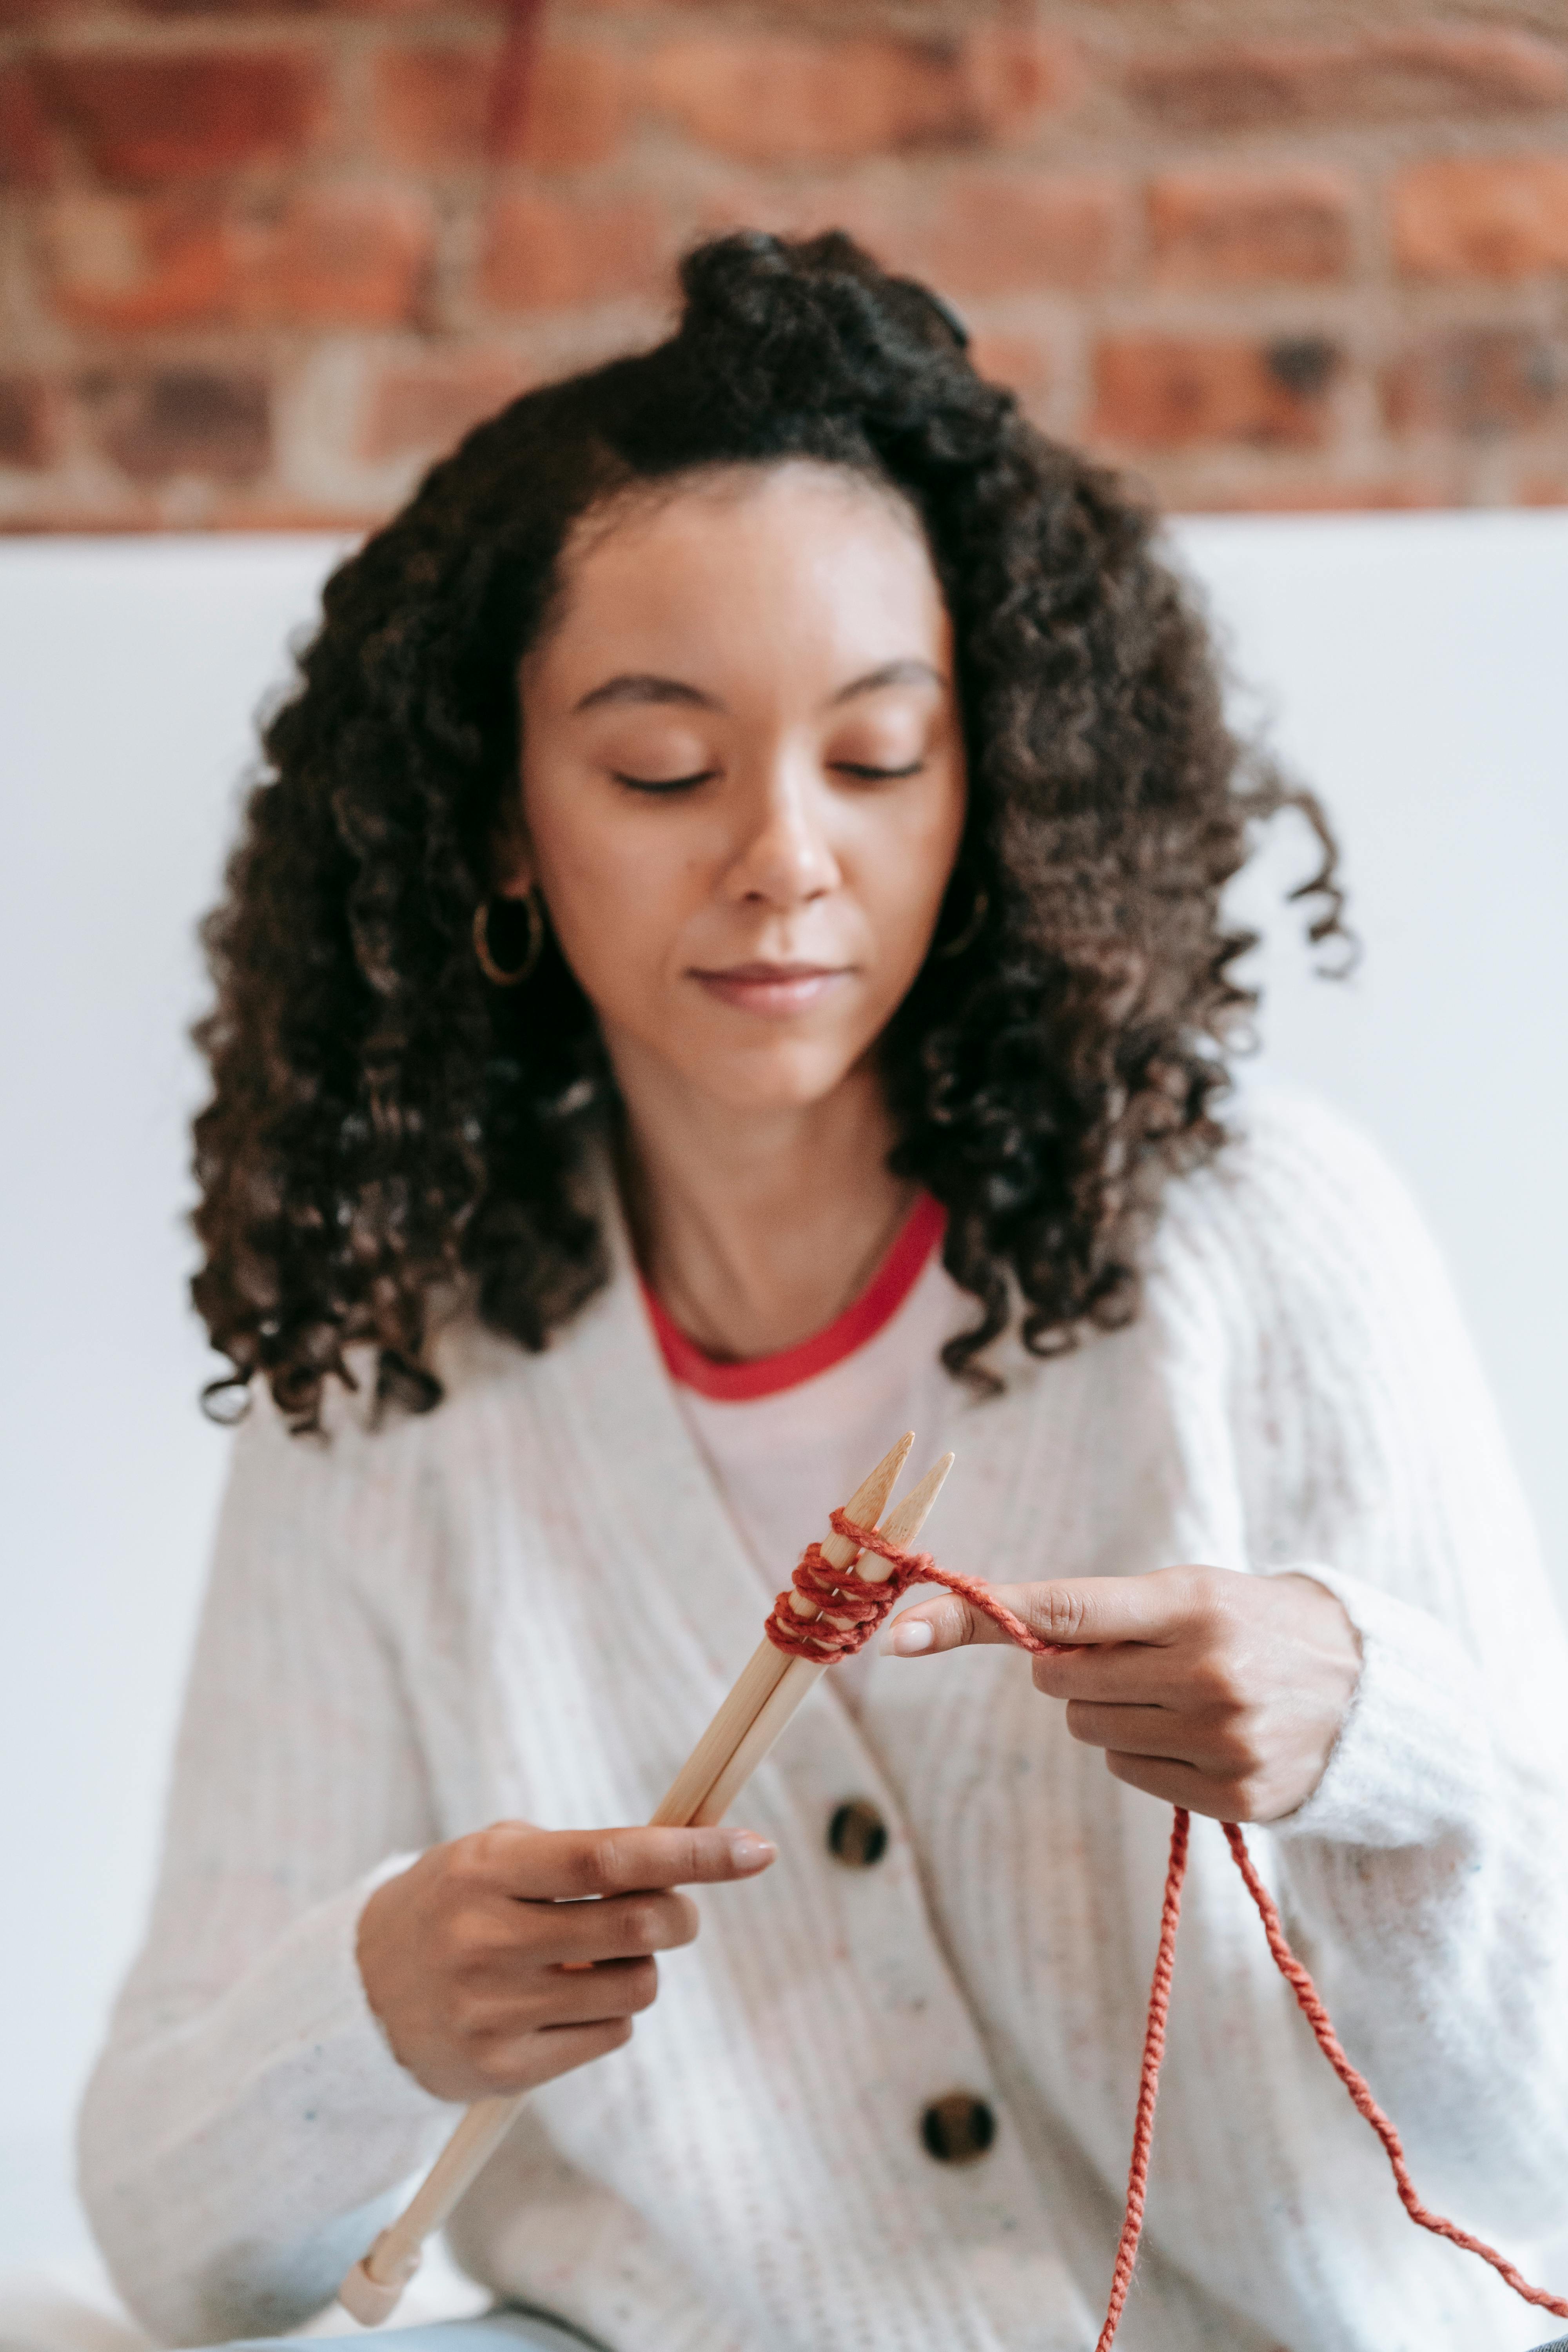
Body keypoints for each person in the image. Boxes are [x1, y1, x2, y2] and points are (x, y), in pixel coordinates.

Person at [78, 231, 1568, 2352]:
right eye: (664, 773)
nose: (784, 857)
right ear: (502, 822)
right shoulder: (405, 1395)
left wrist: (1376, 1734)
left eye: (876, 760)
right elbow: (173, 2246)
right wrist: (382, 2001)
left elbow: (1546, 2147)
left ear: (990, 782)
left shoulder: (1258, 1246)